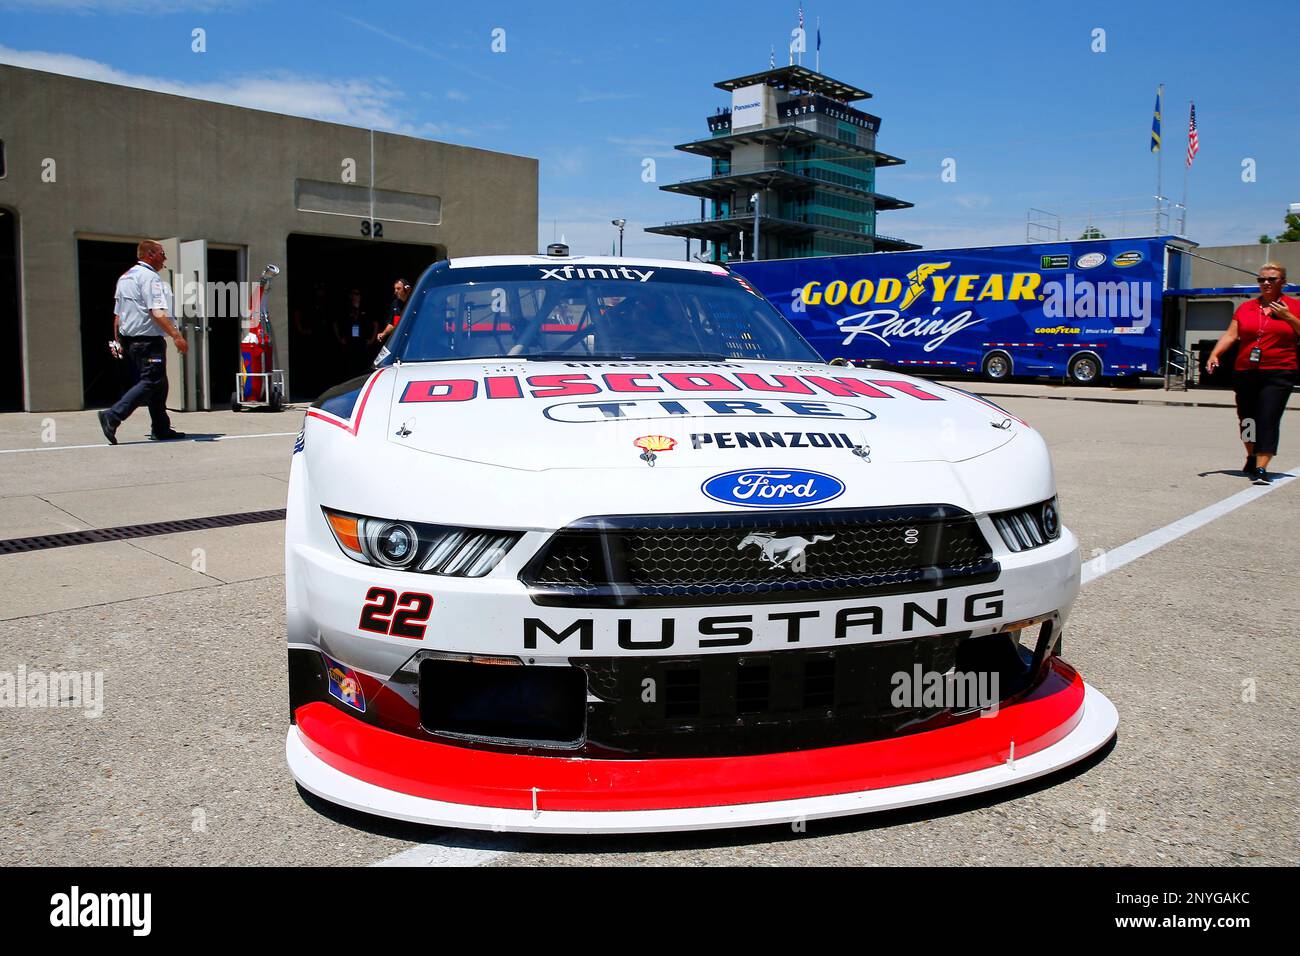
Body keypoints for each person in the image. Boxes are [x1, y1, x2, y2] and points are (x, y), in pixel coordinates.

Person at [1206, 262, 1299, 484]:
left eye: (1272, 279)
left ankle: (1261, 468)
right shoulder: (1246, 308)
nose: (1266, 283)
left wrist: (1288, 317)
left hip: (1279, 370)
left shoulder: (1294, 307)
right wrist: (1214, 354)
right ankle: (1250, 455)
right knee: (1248, 419)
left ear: (1283, 283)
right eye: (1261, 279)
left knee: (1268, 418)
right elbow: (1231, 335)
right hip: (1246, 370)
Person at [98, 240, 189, 444]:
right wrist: (177, 336)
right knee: (152, 381)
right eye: (162, 253)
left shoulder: (125, 277)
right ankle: (113, 416)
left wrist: (117, 341)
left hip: (132, 342)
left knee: (160, 384)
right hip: (148, 342)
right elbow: (156, 311)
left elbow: (118, 315)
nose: (165, 258)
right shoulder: (150, 278)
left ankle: (161, 428)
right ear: (150, 254)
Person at [333, 288, 376, 379]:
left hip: (362, 340)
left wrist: (372, 339)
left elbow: (375, 324)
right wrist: (340, 338)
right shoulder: (345, 309)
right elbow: (335, 323)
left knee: (363, 363)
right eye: (352, 294)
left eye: (357, 294)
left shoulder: (365, 308)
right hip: (349, 340)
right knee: (350, 364)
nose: (354, 297)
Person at [376, 278, 412, 347]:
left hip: (411, 337)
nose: (395, 291)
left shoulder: (413, 301)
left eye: (398, 289)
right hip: (400, 338)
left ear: (407, 289)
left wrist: (410, 291)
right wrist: (383, 334)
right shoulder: (395, 304)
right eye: (395, 289)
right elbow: (393, 324)